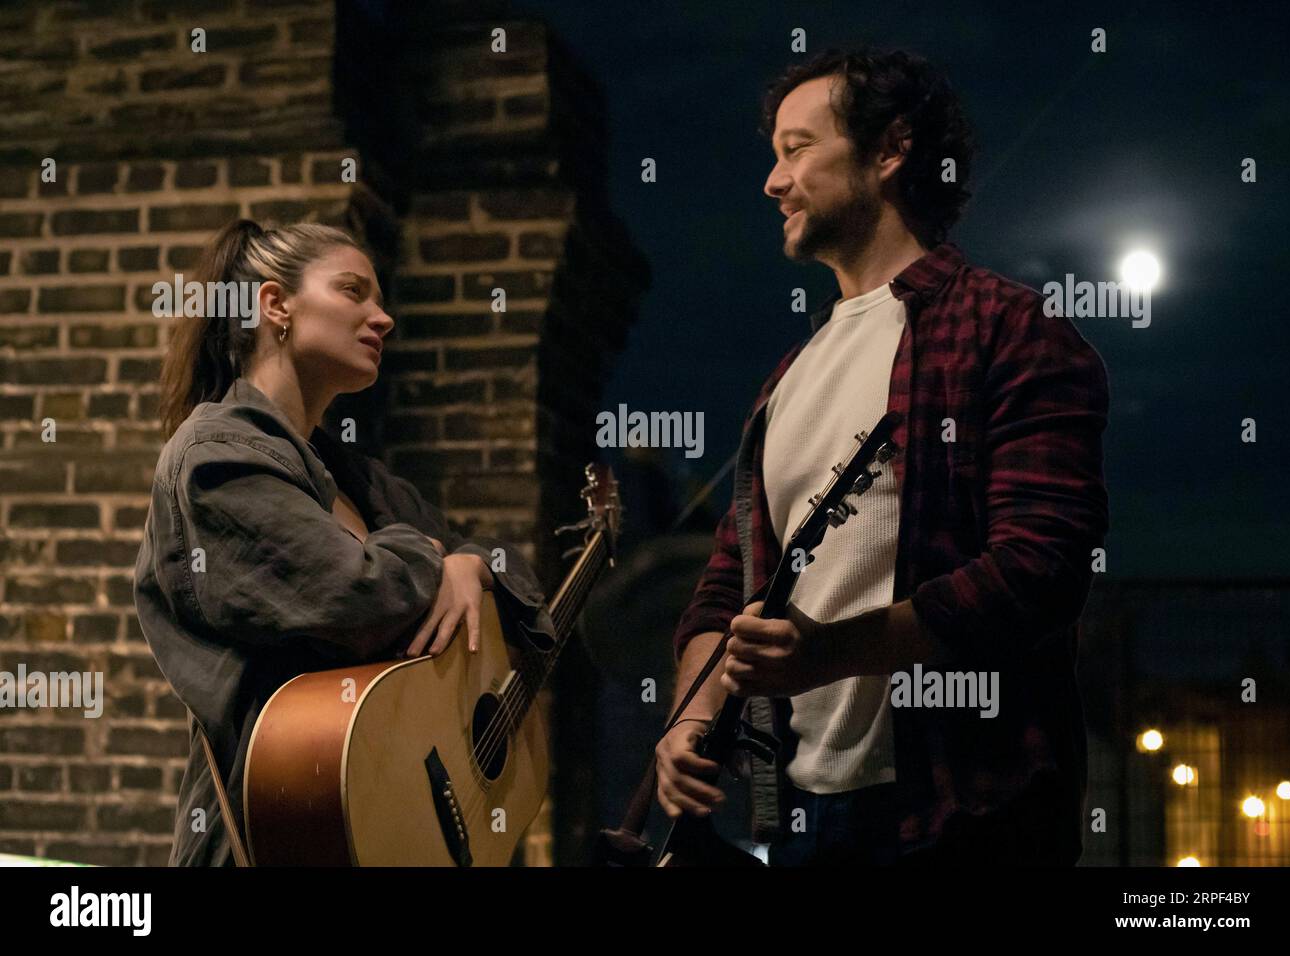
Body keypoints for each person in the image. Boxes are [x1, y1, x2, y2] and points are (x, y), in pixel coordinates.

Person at [656, 48, 1110, 866]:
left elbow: (1041, 570)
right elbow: (731, 577)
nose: (772, 180)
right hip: (799, 810)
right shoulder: (787, 379)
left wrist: (827, 653)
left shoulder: (1012, 329)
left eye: (798, 149)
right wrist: (692, 715)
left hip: (962, 811)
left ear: (892, 149)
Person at [134, 219, 553, 866]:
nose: (381, 317)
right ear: (276, 306)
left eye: (379, 300)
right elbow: (356, 597)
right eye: (354, 292)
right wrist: (428, 552)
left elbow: (502, 562)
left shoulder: (356, 477)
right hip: (279, 838)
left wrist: (471, 563)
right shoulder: (218, 458)